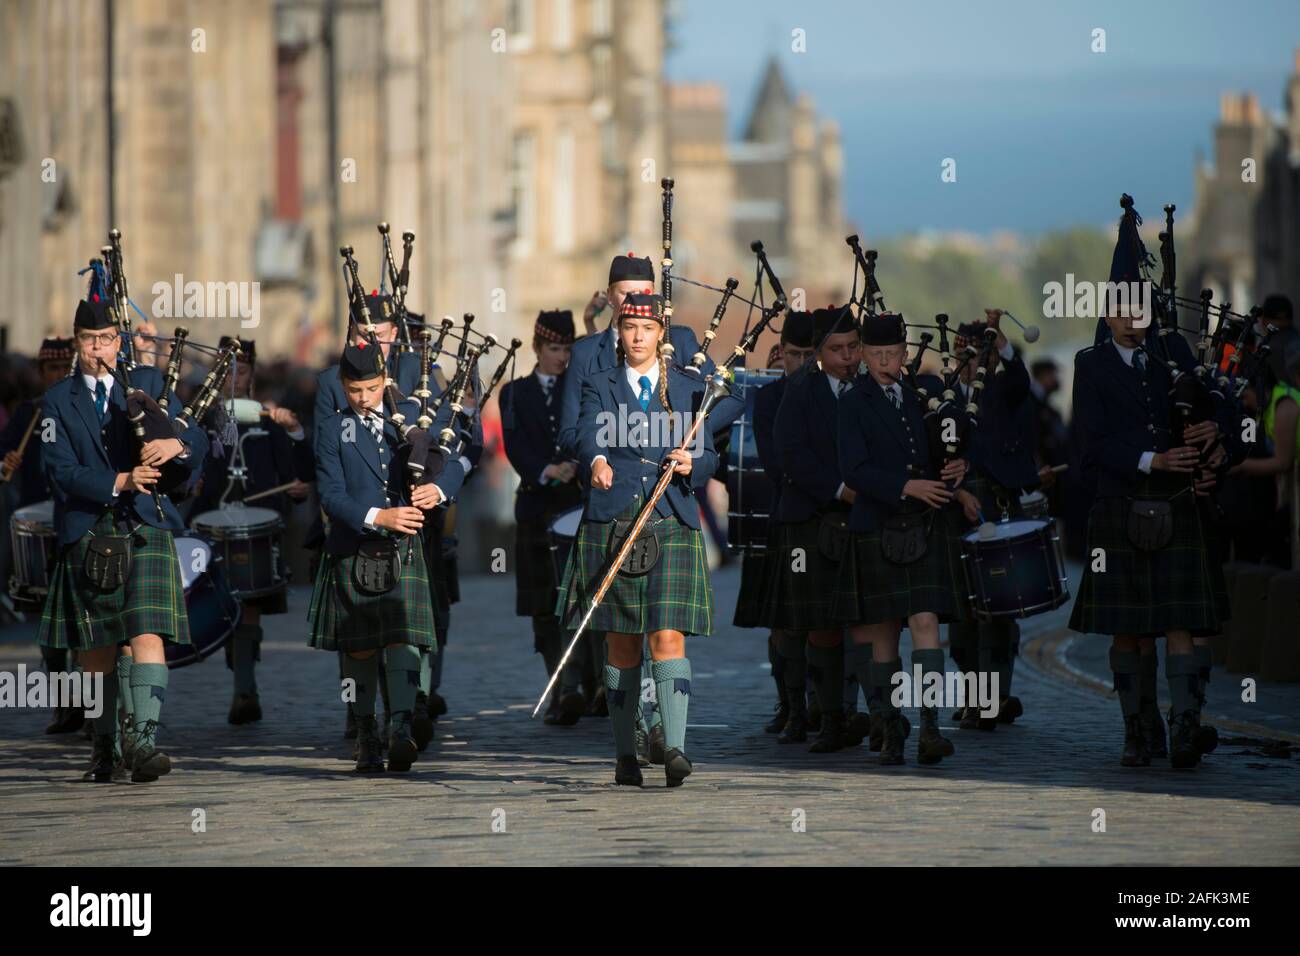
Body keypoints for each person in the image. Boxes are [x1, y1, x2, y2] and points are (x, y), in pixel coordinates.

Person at [37, 294, 208, 782]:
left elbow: (194, 436)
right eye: (89, 340)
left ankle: (145, 740)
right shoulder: (57, 401)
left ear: (120, 340)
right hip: (89, 527)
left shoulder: (148, 383)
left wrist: (176, 442)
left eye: (108, 339)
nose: (99, 349)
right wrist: (120, 480)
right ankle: (106, 747)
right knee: (96, 651)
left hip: (145, 522)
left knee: (147, 632)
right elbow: (61, 472)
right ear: (77, 343)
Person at [557, 291, 717, 788]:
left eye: (647, 329)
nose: (638, 337)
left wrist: (696, 463)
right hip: (615, 520)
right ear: (620, 333)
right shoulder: (599, 383)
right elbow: (586, 434)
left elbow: (708, 451)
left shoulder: (689, 387)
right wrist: (598, 461)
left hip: (670, 517)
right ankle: (626, 753)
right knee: (623, 643)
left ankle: (674, 747)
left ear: (660, 335)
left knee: (667, 635)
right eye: (630, 328)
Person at [1070, 298, 1231, 769]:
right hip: (1120, 503)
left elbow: (1216, 402)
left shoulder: (1172, 351)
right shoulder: (1090, 364)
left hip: (1176, 502)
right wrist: (1152, 459)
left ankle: (1185, 726)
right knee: (1129, 628)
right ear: (1104, 313)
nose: (1130, 321)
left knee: (1179, 622)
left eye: (1139, 312)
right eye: (1120, 312)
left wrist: (1214, 441)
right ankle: (1138, 730)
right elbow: (1091, 443)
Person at [309, 340, 464, 773]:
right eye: (355, 389)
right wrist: (381, 516)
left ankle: (399, 729)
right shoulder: (332, 428)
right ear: (343, 386)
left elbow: (452, 461)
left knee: (403, 642)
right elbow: (331, 495)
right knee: (358, 649)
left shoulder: (410, 417)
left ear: (385, 382)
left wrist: (440, 489)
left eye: (372, 388)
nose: (363, 398)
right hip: (354, 546)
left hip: (405, 549)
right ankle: (365, 733)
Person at [832, 312, 966, 765]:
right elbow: (854, 470)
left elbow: (945, 447)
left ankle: (930, 727)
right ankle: (890, 728)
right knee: (885, 630)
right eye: (876, 355)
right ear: (864, 356)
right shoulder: (852, 404)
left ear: (905, 354)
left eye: (893, 354)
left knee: (926, 622)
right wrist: (905, 486)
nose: (885, 361)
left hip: (924, 524)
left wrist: (956, 469)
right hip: (878, 523)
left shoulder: (922, 397)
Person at [190, 337, 313, 723]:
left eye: (240, 369)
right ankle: (238, 666)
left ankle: (245, 689)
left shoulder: (267, 419)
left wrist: (293, 434)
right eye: (226, 369)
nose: (233, 376)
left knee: (250, 604)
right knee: (222, 603)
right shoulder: (200, 419)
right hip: (211, 522)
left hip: (257, 526)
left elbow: (298, 475)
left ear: (252, 374)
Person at [764, 306, 862, 752]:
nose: (849, 357)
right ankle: (819, 716)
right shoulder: (801, 390)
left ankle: (860, 714)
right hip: (809, 519)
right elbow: (790, 454)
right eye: (838, 349)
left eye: (854, 347)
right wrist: (839, 489)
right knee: (812, 624)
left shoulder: (870, 389)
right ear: (822, 352)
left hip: (860, 520)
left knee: (863, 624)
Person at [946, 311, 1048, 730]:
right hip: (954, 506)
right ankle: (976, 696)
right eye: (959, 350)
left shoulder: (1004, 387)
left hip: (998, 502)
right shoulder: (943, 393)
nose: (965, 359)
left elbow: (1023, 382)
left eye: (974, 351)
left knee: (998, 608)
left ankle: (993, 698)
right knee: (961, 611)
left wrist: (1003, 346)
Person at [500, 309, 585, 725]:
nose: (563, 357)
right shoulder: (514, 393)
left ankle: (589, 686)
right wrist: (547, 469)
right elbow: (514, 445)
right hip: (537, 505)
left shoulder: (581, 385)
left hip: (577, 504)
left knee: (581, 599)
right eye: (554, 348)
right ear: (537, 347)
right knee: (544, 607)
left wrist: (574, 464)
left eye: (568, 348)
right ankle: (560, 687)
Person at [1, 338, 82, 733]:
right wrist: (5, 461)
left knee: (85, 615)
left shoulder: (82, 410)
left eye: (66, 368)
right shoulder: (27, 416)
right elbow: (3, 467)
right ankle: (64, 702)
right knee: (48, 620)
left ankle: (92, 702)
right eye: (52, 370)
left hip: (79, 521)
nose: (59, 376)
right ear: (41, 373)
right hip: (39, 525)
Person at [742, 311, 814, 735]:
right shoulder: (769, 399)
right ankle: (791, 705)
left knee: (827, 622)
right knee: (783, 621)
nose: (801, 361)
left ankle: (829, 707)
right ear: (781, 354)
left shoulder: (834, 394)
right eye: (793, 354)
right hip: (782, 518)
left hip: (827, 518)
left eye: (809, 354)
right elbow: (773, 463)